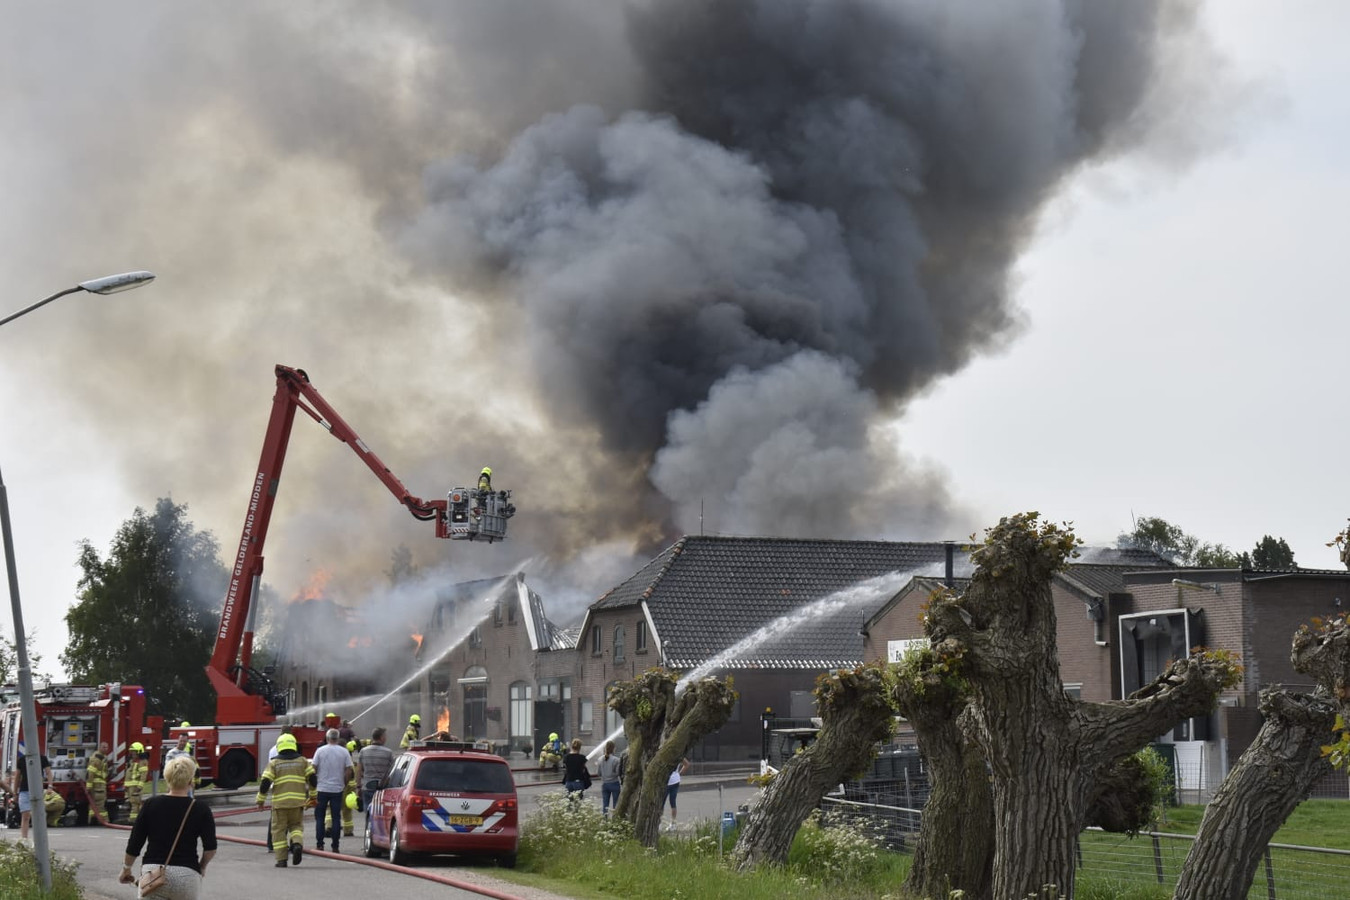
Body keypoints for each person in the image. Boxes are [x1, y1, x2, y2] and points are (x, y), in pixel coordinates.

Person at [119, 755, 217, 900]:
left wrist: (126, 869)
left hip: (153, 874)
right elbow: (210, 848)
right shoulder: (201, 809)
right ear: (190, 781)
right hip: (187, 875)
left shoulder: (151, 805)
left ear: (166, 778)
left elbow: (134, 844)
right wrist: (201, 867)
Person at [255, 732, 316, 868]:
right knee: (296, 827)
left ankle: (282, 860)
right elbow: (313, 778)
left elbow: (265, 782)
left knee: (278, 831)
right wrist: (313, 796)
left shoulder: (274, 763)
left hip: (280, 805)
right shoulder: (303, 761)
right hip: (297, 803)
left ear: (279, 746)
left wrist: (260, 800)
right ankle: (296, 844)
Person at [311, 728, 352, 853]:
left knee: (320, 817)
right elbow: (349, 770)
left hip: (322, 788)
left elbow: (313, 768)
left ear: (327, 738)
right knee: (336, 818)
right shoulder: (344, 752)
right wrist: (344, 783)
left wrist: (314, 783)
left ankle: (319, 844)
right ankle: (335, 846)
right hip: (337, 789)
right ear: (338, 738)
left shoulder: (320, 751)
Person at [10, 749, 52, 842]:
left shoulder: (42, 758)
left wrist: (50, 786)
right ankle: (24, 839)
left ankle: (40, 839)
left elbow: (48, 772)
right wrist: (15, 793)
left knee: (38, 815)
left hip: (37, 790)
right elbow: (17, 776)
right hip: (24, 790)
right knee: (25, 815)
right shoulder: (22, 760)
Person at [357, 727, 395, 811]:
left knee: (368, 811)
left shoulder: (363, 751)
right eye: (385, 736)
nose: (386, 738)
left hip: (367, 787)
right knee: (381, 812)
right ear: (381, 738)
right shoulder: (388, 752)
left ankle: (369, 823)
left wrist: (358, 786)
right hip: (383, 788)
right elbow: (392, 770)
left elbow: (359, 770)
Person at [85, 741, 110, 825]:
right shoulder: (97, 758)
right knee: (100, 804)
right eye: (103, 747)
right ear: (99, 747)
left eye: (106, 747)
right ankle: (104, 821)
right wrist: (89, 786)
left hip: (100, 783)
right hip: (97, 785)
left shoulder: (102, 757)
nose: (105, 749)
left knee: (93, 804)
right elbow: (91, 772)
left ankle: (91, 821)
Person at [127, 742, 151, 824]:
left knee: (135, 805)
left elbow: (143, 776)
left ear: (139, 752)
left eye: (134, 752)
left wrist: (139, 787)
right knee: (134, 804)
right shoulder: (133, 762)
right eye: (132, 752)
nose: (132, 754)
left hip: (136, 788)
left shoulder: (142, 762)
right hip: (132, 787)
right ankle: (139, 820)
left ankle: (134, 821)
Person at [598, 740, 622, 817]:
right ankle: (615, 820)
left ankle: (605, 820)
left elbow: (599, 773)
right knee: (615, 804)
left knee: (605, 804)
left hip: (604, 784)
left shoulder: (600, 759)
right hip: (614, 783)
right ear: (613, 748)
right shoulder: (616, 760)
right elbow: (618, 773)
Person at [664, 757, 690, 825]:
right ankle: (673, 824)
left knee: (661, 804)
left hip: (666, 782)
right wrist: (679, 774)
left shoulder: (665, 754)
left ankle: (658, 824)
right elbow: (687, 764)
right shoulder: (679, 754)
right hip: (675, 780)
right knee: (673, 803)